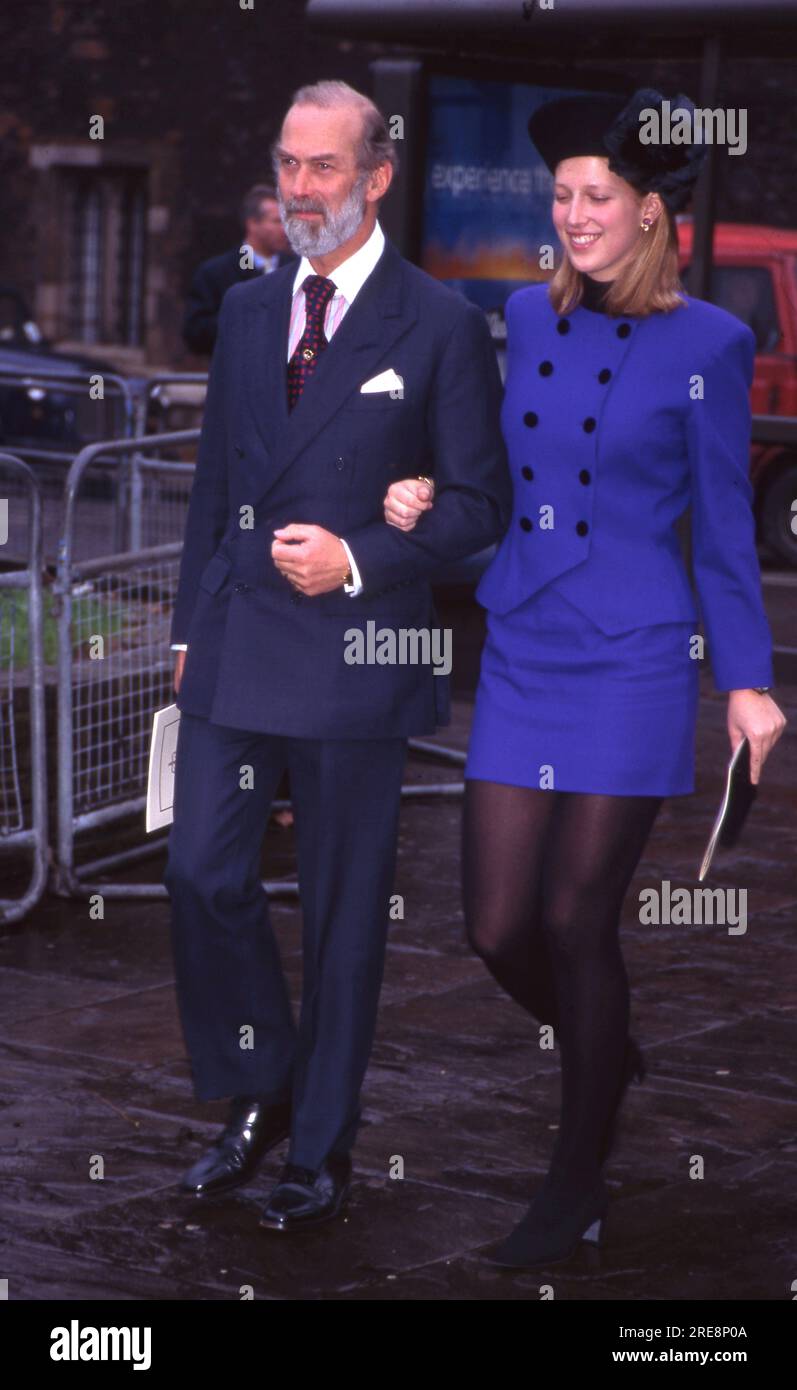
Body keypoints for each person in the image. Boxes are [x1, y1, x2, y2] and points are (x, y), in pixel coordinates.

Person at [383, 87, 786, 1269]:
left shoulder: (711, 343)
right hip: (522, 643)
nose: (569, 215)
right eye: (557, 196)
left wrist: (746, 681)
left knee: (573, 917)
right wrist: (420, 494)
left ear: (651, 211)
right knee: (496, 927)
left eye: (593, 197)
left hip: (630, 654)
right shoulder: (525, 313)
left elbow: (719, 526)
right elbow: (504, 480)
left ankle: (575, 1179)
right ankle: (603, 1054)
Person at [164, 80, 511, 1233]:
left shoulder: (441, 325)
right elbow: (216, 482)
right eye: (286, 165)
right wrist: (181, 629)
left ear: (375, 176)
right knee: (200, 875)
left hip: (358, 653)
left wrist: (358, 557)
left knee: (343, 918)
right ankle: (258, 1082)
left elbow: (476, 510)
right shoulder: (255, 309)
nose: (298, 188)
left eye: (322, 167)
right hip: (234, 640)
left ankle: (321, 1147)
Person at [182, 184, 294, 355]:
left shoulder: (296, 268)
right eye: (277, 221)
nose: (285, 229)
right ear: (252, 224)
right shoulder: (217, 272)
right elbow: (196, 333)